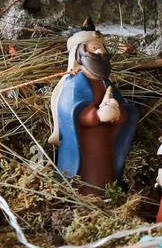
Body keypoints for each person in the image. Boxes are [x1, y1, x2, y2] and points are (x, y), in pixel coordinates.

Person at [47, 21, 138, 193]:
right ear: (79, 53)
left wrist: (118, 113)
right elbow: (70, 111)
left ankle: (107, 194)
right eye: (95, 47)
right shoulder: (74, 83)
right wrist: (96, 115)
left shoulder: (105, 82)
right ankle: (85, 199)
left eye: (102, 47)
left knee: (104, 172)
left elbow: (120, 106)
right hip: (84, 143)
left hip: (105, 140)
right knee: (89, 175)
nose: (101, 51)